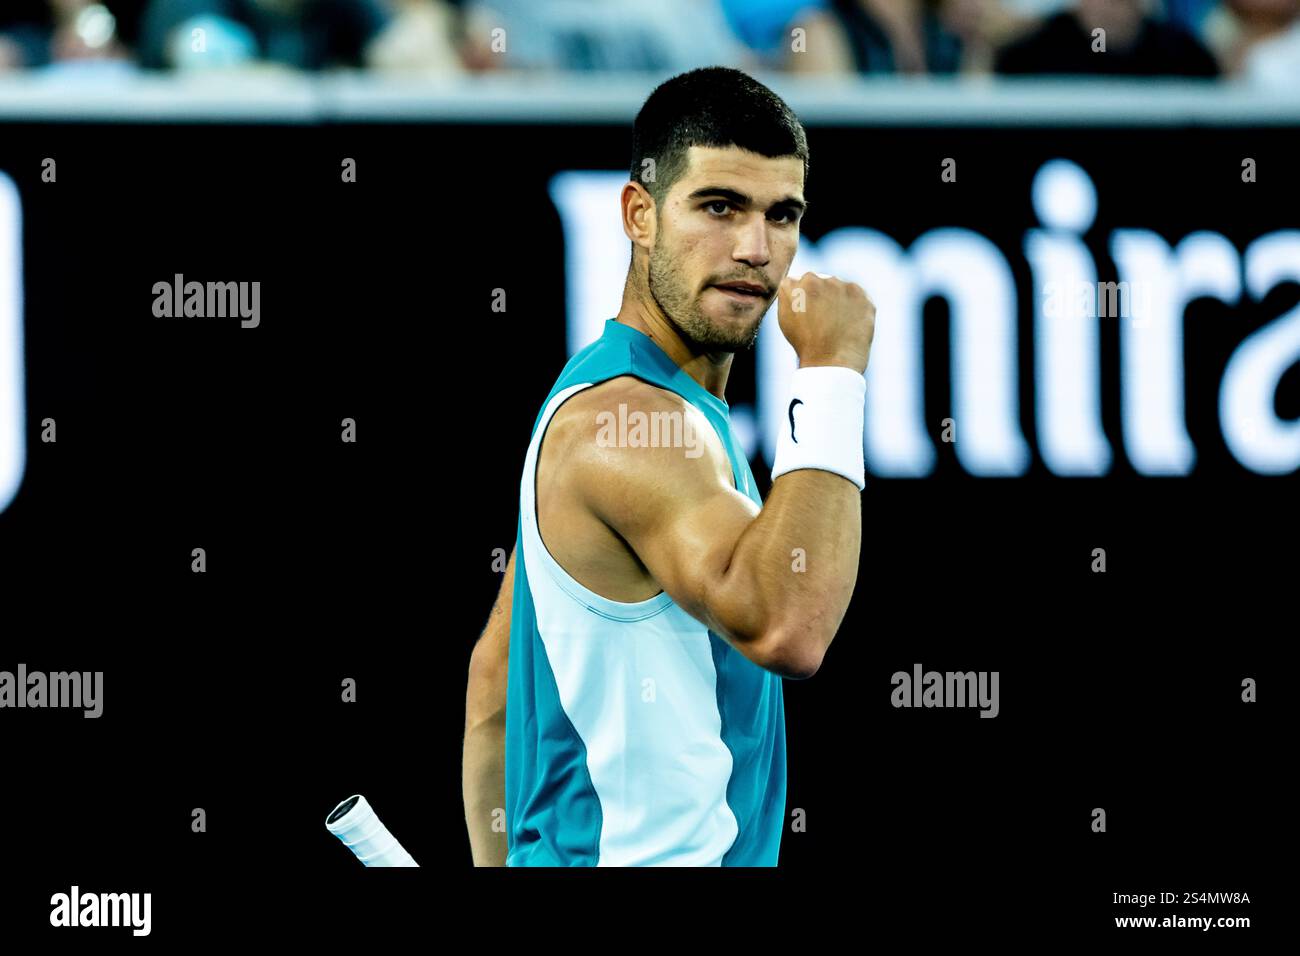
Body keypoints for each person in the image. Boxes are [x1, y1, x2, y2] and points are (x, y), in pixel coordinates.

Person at [463, 66, 876, 867]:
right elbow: (789, 628)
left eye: (781, 215)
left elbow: (494, 684)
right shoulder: (629, 426)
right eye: (719, 207)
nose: (755, 249)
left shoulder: (636, 406)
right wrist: (831, 373)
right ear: (639, 214)